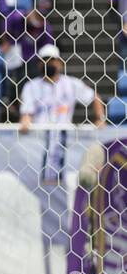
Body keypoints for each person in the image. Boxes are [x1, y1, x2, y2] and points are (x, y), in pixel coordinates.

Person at [19, 45, 106, 184]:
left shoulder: (71, 83)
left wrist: (100, 118)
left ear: (60, 63)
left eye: (52, 60)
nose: (48, 63)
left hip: (65, 138)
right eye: (45, 60)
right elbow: (26, 113)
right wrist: (25, 120)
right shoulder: (31, 86)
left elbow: (94, 97)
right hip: (40, 140)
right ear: (39, 64)